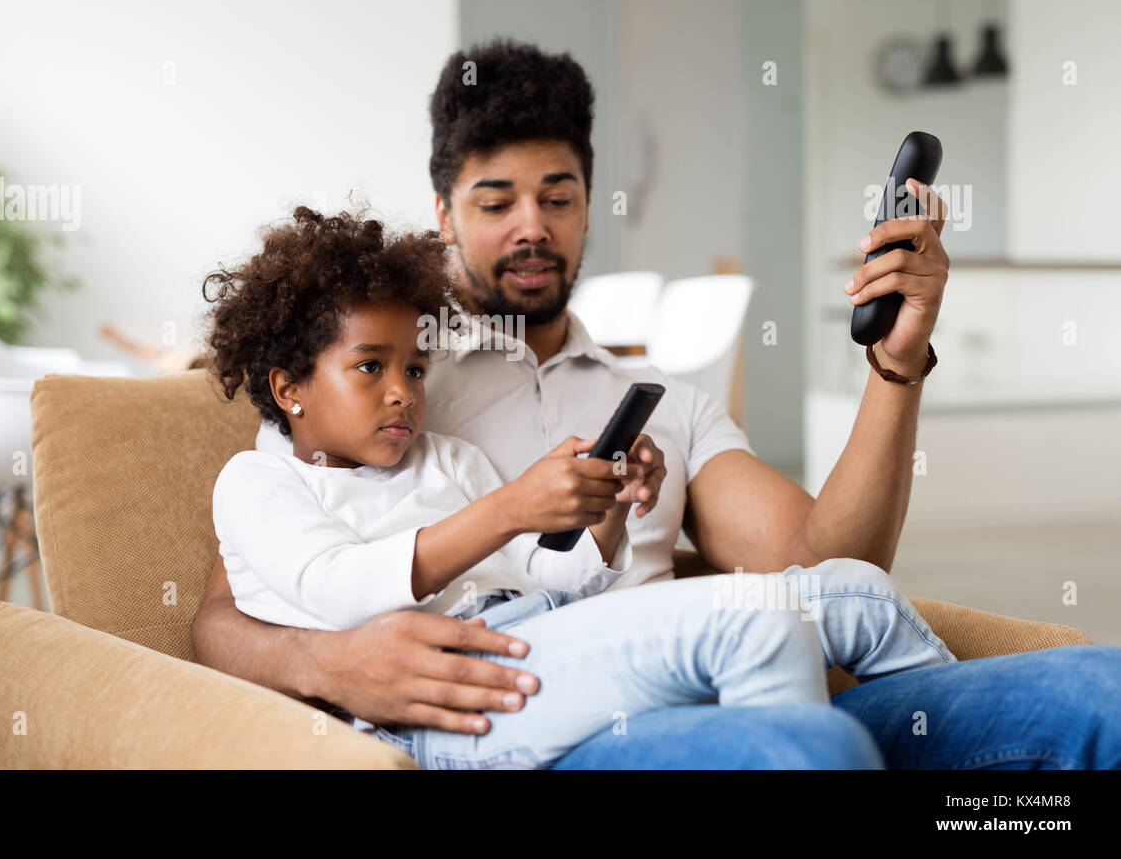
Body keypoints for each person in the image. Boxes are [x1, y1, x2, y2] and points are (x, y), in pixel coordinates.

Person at [192, 37, 1121, 769]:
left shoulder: (659, 404)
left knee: (1103, 692)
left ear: (591, 208)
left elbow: (820, 562)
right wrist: (324, 665)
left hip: (743, 670)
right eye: (494, 200)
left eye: (558, 196)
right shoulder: (381, 397)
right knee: (810, 749)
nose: (531, 225)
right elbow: (228, 613)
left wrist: (895, 360)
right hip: (575, 726)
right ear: (442, 215)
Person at [203, 207, 956, 769]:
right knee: (759, 621)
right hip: (449, 699)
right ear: (289, 386)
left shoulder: (448, 459)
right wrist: (509, 508)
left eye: (415, 369)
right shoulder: (258, 481)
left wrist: (610, 515)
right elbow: (341, 591)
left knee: (857, 589)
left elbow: (552, 576)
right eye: (372, 367)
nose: (402, 391)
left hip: (538, 632)